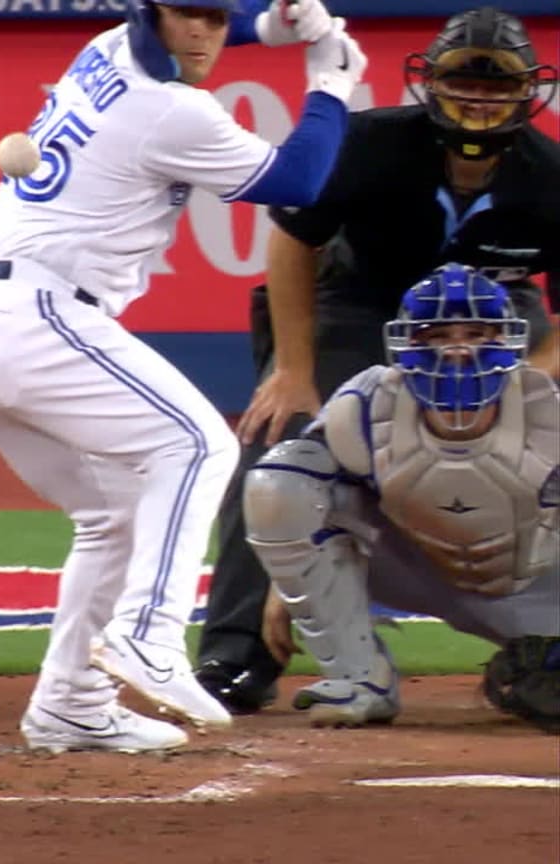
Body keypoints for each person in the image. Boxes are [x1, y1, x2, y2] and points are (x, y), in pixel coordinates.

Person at [0, 0, 366, 753]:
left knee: (118, 514)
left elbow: (225, 31)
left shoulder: (108, 47)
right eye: (185, 15)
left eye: (215, 17)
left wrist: (286, 25)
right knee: (199, 447)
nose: (201, 32)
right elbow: (298, 182)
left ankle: (71, 702)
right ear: (152, 13)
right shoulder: (169, 112)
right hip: (36, 314)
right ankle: (149, 635)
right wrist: (330, 83)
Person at [196, 5, 560, 715]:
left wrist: (534, 386)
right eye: (464, 79)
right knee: (280, 441)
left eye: (498, 83)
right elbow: (292, 242)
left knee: (544, 441)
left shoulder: (552, 178)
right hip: (360, 302)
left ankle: (544, 636)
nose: (480, 96)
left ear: (527, 92)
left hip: (493, 321)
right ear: (432, 83)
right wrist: (295, 371)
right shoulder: (369, 141)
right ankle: (236, 653)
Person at [243, 263, 560, 731]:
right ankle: (359, 679)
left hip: (531, 584)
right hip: (415, 567)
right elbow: (293, 499)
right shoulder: (369, 402)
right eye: (437, 335)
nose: (457, 350)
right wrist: (283, 586)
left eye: (476, 333)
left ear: (508, 341)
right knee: (280, 479)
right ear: (407, 343)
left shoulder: (548, 407)